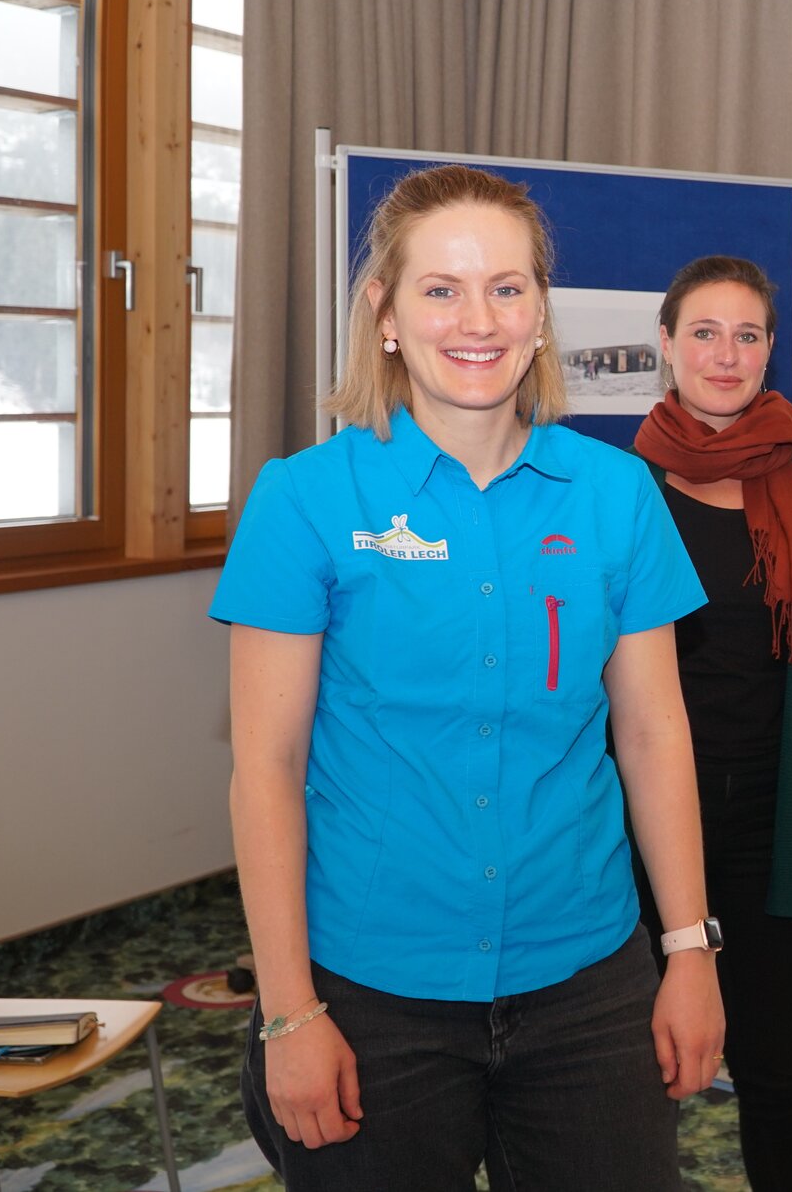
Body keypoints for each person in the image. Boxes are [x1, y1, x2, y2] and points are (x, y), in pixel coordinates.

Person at [213, 163, 724, 1191]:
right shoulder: (304, 499)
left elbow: (654, 737)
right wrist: (287, 1010)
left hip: (584, 981)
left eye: (505, 286)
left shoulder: (615, 495)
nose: (475, 317)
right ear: (386, 312)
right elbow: (265, 769)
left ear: (539, 314)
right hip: (371, 994)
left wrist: (689, 949)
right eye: (439, 289)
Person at [628, 255, 792, 1191]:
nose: (726, 355)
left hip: (777, 823)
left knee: (777, 1071)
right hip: (640, 831)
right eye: (705, 333)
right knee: (637, 1075)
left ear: (770, 350)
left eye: (748, 335)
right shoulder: (617, 492)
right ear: (666, 346)